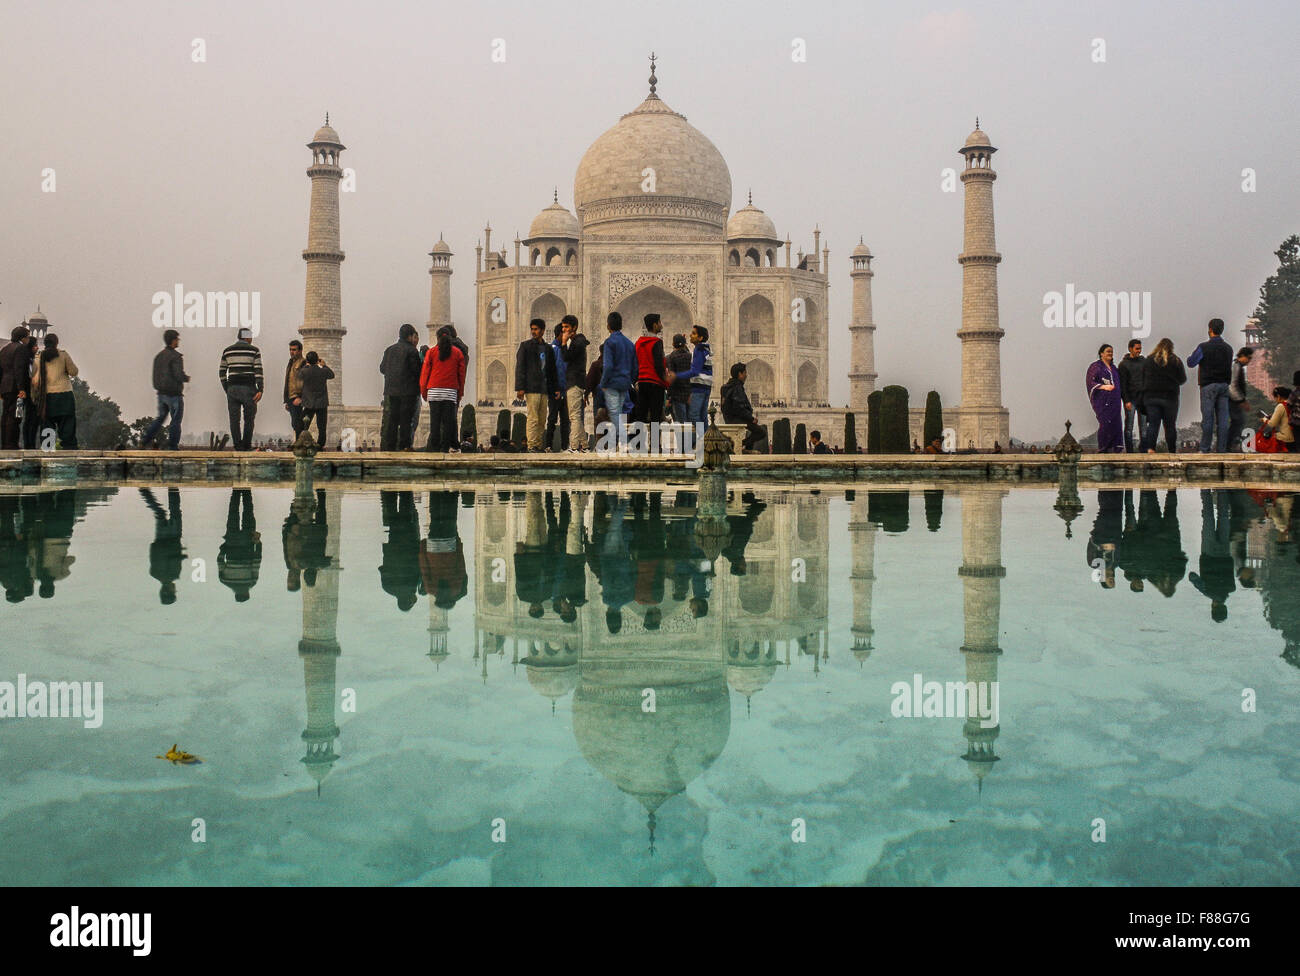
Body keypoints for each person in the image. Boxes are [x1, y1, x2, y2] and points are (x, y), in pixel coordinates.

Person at [1187, 317, 1233, 452]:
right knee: (1223, 420)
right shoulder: (1228, 349)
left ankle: (1205, 448)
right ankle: (1221, 449)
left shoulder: (1204, 347)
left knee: (1208, 419)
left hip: (1208, 386)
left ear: (1210, 330)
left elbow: (1191, 362)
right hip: (1224, 385)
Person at [514, 318, 558, 452]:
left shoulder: (548, 348)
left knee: (542, 419)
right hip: (532, 387)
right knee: (533, 417)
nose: (533, 332)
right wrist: (520, 388)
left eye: (536, 329)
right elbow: (520, 367)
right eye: (532, 329)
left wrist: (555, 388)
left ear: (543, 331)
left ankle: (538, 445)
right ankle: (532, 445)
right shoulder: (525, 346)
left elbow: (552, 370)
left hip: (544, 389)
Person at [420, 327, 466, 452]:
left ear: (438, 337)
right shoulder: (457, 353)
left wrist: (424, 392)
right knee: (448, 423)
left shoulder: (431, 352)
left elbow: (425, 374)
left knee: (435, 422)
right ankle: (445, 449)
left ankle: (434, 449)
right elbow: (461, 375)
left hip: (434, 391)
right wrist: (460, 393)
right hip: (450, 392)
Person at [143, 329, 190, 450]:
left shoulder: (158, 356)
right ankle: (173, 446)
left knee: (160, 418)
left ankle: (145, 440)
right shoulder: (176, 357)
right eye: (177, 339)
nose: (178, 341)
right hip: (174, 394)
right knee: (176, 420)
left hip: (161, 393)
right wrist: (186, 378)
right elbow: (178, 374)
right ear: (173, 340)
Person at [1139, 338, 1187, 453]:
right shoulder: (1176, 360)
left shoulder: (1148, 360)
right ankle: (1171, 450)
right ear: (1171, 348)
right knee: (1170, 425)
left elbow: (1142, 379)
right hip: (1170, 398)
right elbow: (1182, 379)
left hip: (1151, 398)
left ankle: (1151, 449)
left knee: (1153, 424)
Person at [31, 333, 79, 449]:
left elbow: (35, 381)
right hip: (65, 396)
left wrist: (34, 397)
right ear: (56, 343)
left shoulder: (38, 358)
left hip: (46, 398)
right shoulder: (63, 355)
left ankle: (48, 450)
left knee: (47, 425)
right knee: (67, 425)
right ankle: (69, 450)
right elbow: (74, 372)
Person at [219, 327, 263, 451]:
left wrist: (227, 388)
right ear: (247, 337)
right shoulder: (254, 351)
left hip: (232, 388)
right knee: (249, 419)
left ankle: (238, 446)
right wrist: (260, 389)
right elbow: (258, 371)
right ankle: (246, 445)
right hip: (248, 388)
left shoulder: (227, 351)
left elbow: (222, 372)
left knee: (234, 419)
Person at [379, 323, 423, 451]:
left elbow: (382, 368)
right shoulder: (411, 350)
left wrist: (392, 376)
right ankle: (404, 445)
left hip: (391, 390)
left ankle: (390, 445)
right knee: (405, 419)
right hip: (408, 390)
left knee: (393, 418)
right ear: (410, 336)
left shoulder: (390, 350)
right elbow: (416, 371)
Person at [598, 312, 636, 444]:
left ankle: (626, 442)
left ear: (608, 325)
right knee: (619, 413)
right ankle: (619, 443)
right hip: (625, 383)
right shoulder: (629, 343)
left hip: (613, 383)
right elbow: (635, 367)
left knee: (614, 414)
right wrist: (630, 380)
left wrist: (603, 383)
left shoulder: (610, 342)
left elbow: (608, 366)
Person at [670, 325, 713, 427]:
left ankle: (701, 438)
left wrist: (676, 376)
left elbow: (695, 371)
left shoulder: (699, 349)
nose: (691, 335)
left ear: (700, 338)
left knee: (693, 416)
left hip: (699, 388)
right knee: (703, 417)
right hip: (706, 387)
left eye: (694, 333)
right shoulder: (705, 349)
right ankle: (705, 441)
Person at [1085, 344, 1123, 453]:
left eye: (1111, 351)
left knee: (1116, 422)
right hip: (1102, 401)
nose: (1110, 353)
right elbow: (1090, 381)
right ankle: (1104, 447)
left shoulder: (1114, 369)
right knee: (1105, 422)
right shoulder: (1096, 367)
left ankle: (1116, 447)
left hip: (1115, 401)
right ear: (1101, 353)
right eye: (1108, 351)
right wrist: (1103, 386)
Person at [633, 313, 670, 424]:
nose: (661, 325)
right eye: (659, 323)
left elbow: (635, 363)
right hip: (655, 383)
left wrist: (636, 381)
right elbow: (658, 365)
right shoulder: (656, 342)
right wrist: (665, 380)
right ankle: (654, 442)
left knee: (640, 415)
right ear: (654, 325)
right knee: (655, 417)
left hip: (642, 382)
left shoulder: (638, 343)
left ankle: (638, 441)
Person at [559, 316, 589, 451]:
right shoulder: (578, 341)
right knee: (575, 415)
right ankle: (585, 446)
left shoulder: (577, 342)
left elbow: (566, 357)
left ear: (574, 327)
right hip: (575, 381)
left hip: (574, 382)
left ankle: (574, 447)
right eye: (562, 327)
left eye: (566, 327)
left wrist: (564, 343)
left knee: (574, 416)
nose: (563, 330)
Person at [0, 326, 32, 449]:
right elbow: (19, 370)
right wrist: (21, 389)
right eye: (27, 337)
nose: (28, 339)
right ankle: (12, 444)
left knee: (5, 416)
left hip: (5, 386)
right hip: (15, 387)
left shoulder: (4, 349)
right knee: (15, 416)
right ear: (22, 338)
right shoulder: (21, 349)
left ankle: (5, 443)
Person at [720, 363, 762, 451]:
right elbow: (739, 407)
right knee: (760, 432)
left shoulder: (726, 387)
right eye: (745, 373)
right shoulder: (737, 387)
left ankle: (746, 449)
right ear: (740, 374)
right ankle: (737, 445)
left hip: (729, 418)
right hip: (737, 418)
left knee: (754, 431)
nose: (746, 375)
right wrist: (751, 418)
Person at [296, 351, 334, 447]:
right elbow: (332, 375)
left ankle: (300, 442)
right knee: (321, 426)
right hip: (321, 403)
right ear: (317, 360)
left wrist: (306, 365)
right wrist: (324, 365)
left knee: (303, 424)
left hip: (309, 403)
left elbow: (299, 376)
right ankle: (320, 445)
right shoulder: (323, 371)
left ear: (307, 360)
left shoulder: (305, 371)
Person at [1118, 338, 1147, 454]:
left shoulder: (1144, 362)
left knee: (1144, 428)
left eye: (1140, 348)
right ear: (1130, 349)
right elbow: (1123, 385)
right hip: (1131, 399)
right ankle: (1130, 451)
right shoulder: (1124, 364)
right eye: (1136, 349)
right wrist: (1126, 400)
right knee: (1129, 427)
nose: (1139, 351)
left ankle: (1143, 449)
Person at [544, 322, 570, 452]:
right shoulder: (551, 349)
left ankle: (565, 447)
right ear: (560, 334)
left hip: (565, 392)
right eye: (565, 332)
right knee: (552, 419)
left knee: (565, 421)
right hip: (555, 391)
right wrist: (555, 389)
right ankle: (548, 445)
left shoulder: (564, 348)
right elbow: (550, 372)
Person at [1224, 346, 1255, 452]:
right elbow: (1232, 386)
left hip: (1234, 399)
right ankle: (1228, 445)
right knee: (1238, 421)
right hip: (1232, 399)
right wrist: (1241, 401)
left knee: (1238, 421)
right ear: (1242, 356)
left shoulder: (1238, 366)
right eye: (1249, 358)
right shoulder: (1236, 366)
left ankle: (1229, 444)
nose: (1249, 361)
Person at [1255, 386, 1294, 454]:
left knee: (1267, 437)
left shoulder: (1280, 406)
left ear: (1278, 396)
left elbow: (1272, 424)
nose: (1275, 400)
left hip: (1286, 437)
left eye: (1275, 397)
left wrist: (1265, 419)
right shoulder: (1291, 404)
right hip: (1294, 435)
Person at [665, 333, 692, 423]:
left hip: (677, 395)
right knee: (690, 422)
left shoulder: (670, 357)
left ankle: (683, 438)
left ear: (673, 344)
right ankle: (691, 438)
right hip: (689, 394)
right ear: (685, 344)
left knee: (680, 424)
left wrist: (669, 397)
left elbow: (671, 378)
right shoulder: (690, 356)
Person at [283, 340, 306, 437]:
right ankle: (298, 442)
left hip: (297, 397)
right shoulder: (291, 362)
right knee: (294, 422)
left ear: (300, 351)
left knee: (298, 422)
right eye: (290, 350)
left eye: (294, 350)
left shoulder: (303, 363)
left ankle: (299, 442)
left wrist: (301, 397)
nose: (291, 352)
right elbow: (288, 380)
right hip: (291, 397)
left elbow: (305, 382)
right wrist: (286, 400)